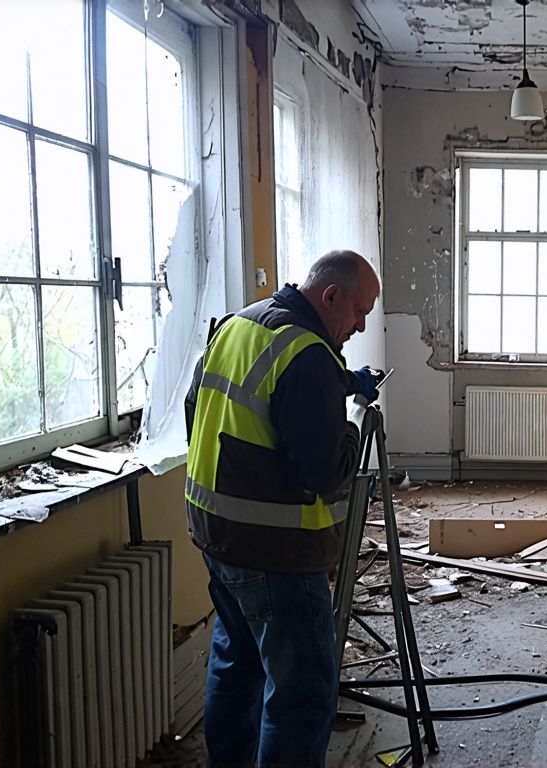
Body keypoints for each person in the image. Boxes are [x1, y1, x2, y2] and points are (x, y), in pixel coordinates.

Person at [183, 249, 383, 767]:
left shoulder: (240, 325)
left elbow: (202, 408)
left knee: (238, 668)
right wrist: (353, 418)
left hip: (216, 534)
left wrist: (339, 382)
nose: (361, 326)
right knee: (303, 693)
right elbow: (326, 475)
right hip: (275, 551)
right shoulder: (308, 355)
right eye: (360, 311)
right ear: (331, 295)